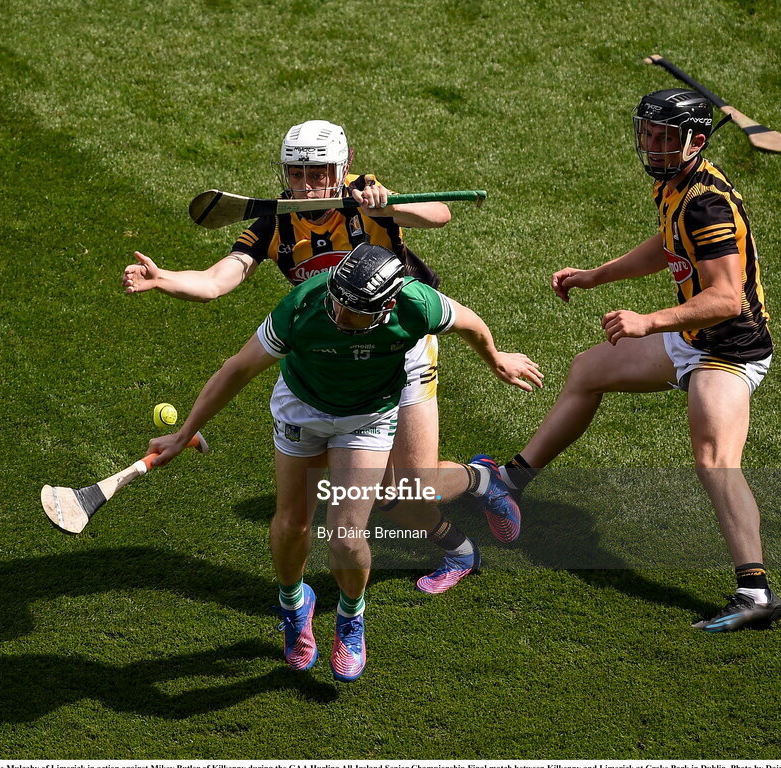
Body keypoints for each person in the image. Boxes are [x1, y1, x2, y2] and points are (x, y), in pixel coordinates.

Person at [124, 120, 523, 594]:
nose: (307, 184)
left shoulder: (365, 196)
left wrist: (389, 204)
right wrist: (164, 278)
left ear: (343, 167)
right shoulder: (274, 223)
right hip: (332, 349)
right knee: (383, 495)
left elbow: (439, 216)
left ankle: (482, 481)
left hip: (401, 344)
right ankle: (458, 548)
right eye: (297, 173)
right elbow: (215, 281)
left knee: (413, 484)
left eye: (319, 173)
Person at [146, 245, 542, 681]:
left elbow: (469, 322)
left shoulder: (416, 304)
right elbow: (237, 369)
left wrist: (496, 358)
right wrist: (184, 434)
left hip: (367, 418)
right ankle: (295, 603)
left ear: (387, 304)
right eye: (336, 301)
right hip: (302, 412)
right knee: (292, 523)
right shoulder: (303, 307)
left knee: (347, 538)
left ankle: (351, 618)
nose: (338, 315)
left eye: (353, 312)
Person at [474, 89, 781, 632]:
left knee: (715, 462)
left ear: (697, 142)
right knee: (588, 370)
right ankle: (512, 480)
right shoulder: (678, 188)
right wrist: (598, 275)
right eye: (648, 133)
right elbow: (666, 244)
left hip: (727, 350)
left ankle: (755, 592)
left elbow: (726, 298)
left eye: (665, 137)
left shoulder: (706, 202)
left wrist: (649, 320)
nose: (652, 145)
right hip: (693, 336)